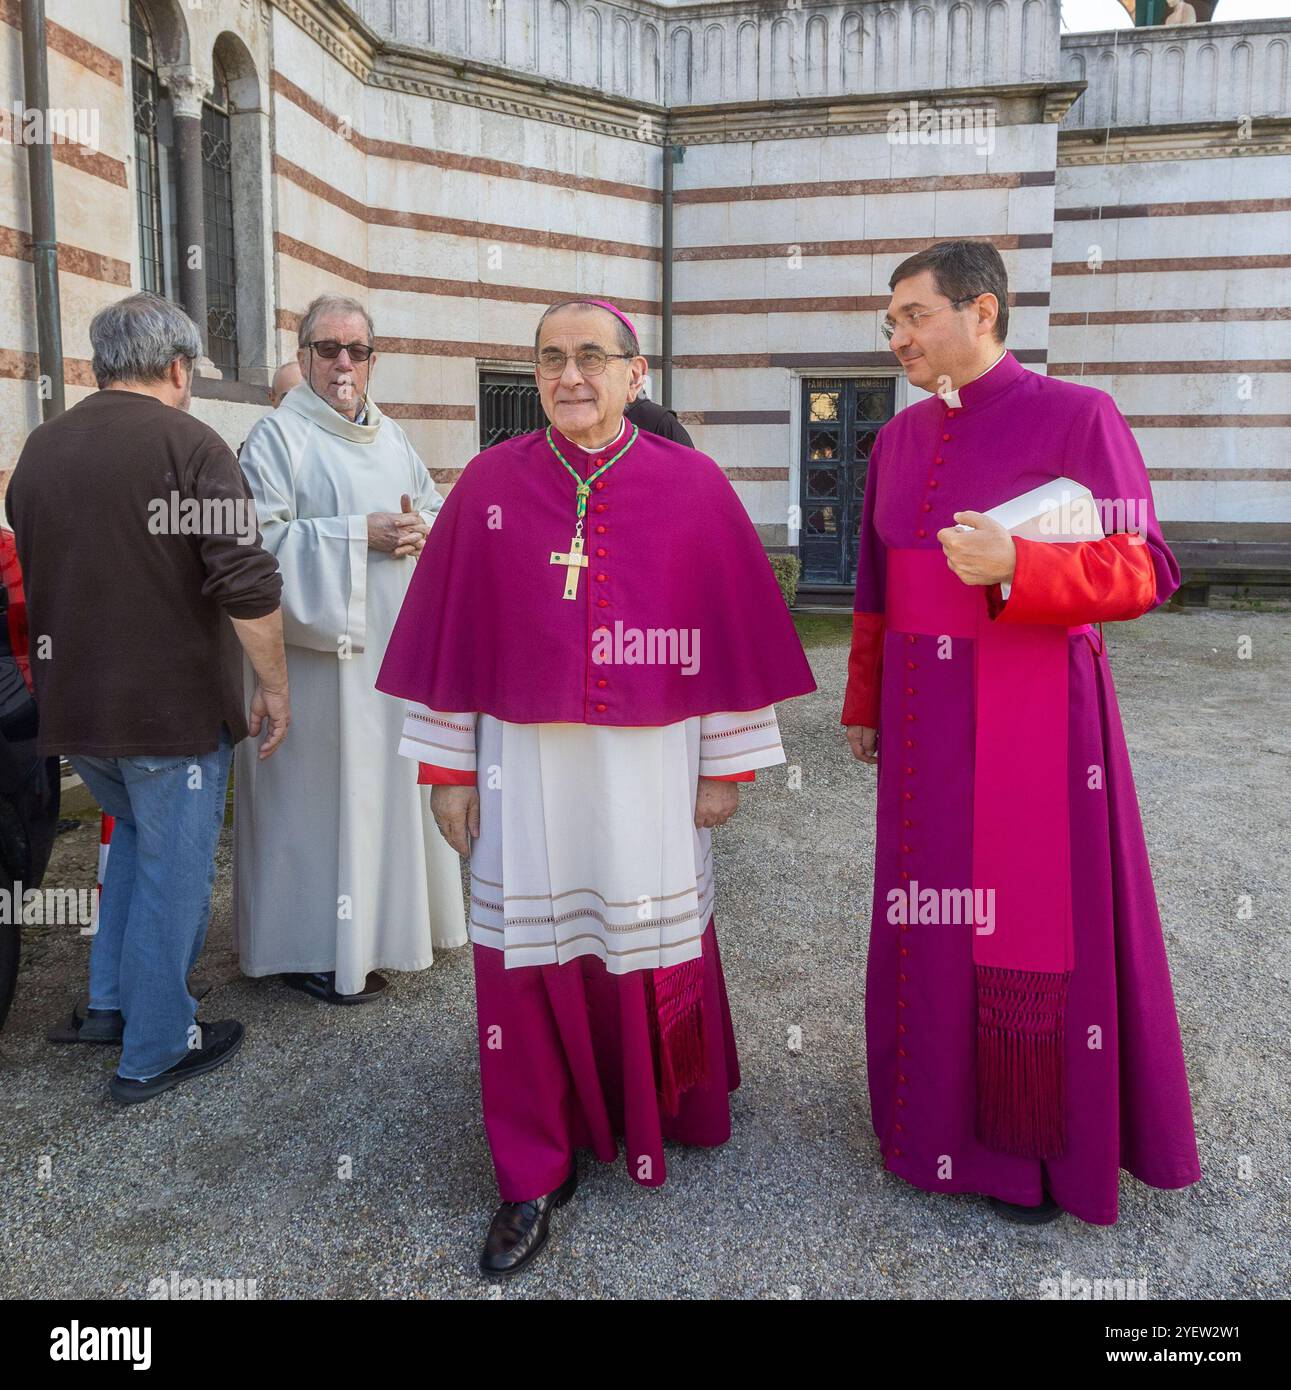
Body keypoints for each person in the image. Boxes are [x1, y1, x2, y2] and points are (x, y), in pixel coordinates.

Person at [377, 298, 816, 1275]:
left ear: (635, 371)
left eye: (589, 357)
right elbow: (448, 641)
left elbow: (727, 634)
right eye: (548, 361)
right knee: (525, 960)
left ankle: (655, 1103)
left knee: (645, 942)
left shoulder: (693, 487)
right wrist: (448, 773)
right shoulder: (489, 484)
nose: (568, 376)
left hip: (650, 768)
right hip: (520, 766)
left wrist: (723, 766)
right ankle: (531, 1168)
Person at [842, 240, 1201, 1224]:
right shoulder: (895, 440)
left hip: (1032, 716)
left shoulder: (1078, 415)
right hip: (922, 726)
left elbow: (1149, 568)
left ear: (983, 313)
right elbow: (876, 590)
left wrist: (1021, 567)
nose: (898, 338)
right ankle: (928, 1126)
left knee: (1013, 926)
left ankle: (1025, 1151)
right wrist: (864, 703)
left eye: (913, 315)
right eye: (891, 322)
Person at [6, 292, 289, 1104]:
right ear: (176, 367)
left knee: (133, 841)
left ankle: (109, 1002)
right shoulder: (193, 444)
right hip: (167, 713)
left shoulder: (41, 449)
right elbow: (247, 583)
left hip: (73, 709)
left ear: (103, 365)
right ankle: (157, 1046)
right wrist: (274, 687)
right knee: (176, 871)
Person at [233, 294, 466, 1005]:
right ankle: (311, 949)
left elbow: (428, 506)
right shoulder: (276, 439)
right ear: (303, 355)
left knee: (385, 794)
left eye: (356, 351)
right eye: (328, 348)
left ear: (371, 360)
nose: (342, 363)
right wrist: (351, 535)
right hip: (317, 669)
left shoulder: (391, 436)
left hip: (391, 661)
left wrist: (421, 528)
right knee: (323, 806)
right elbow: (256, 549)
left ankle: (394, 931)